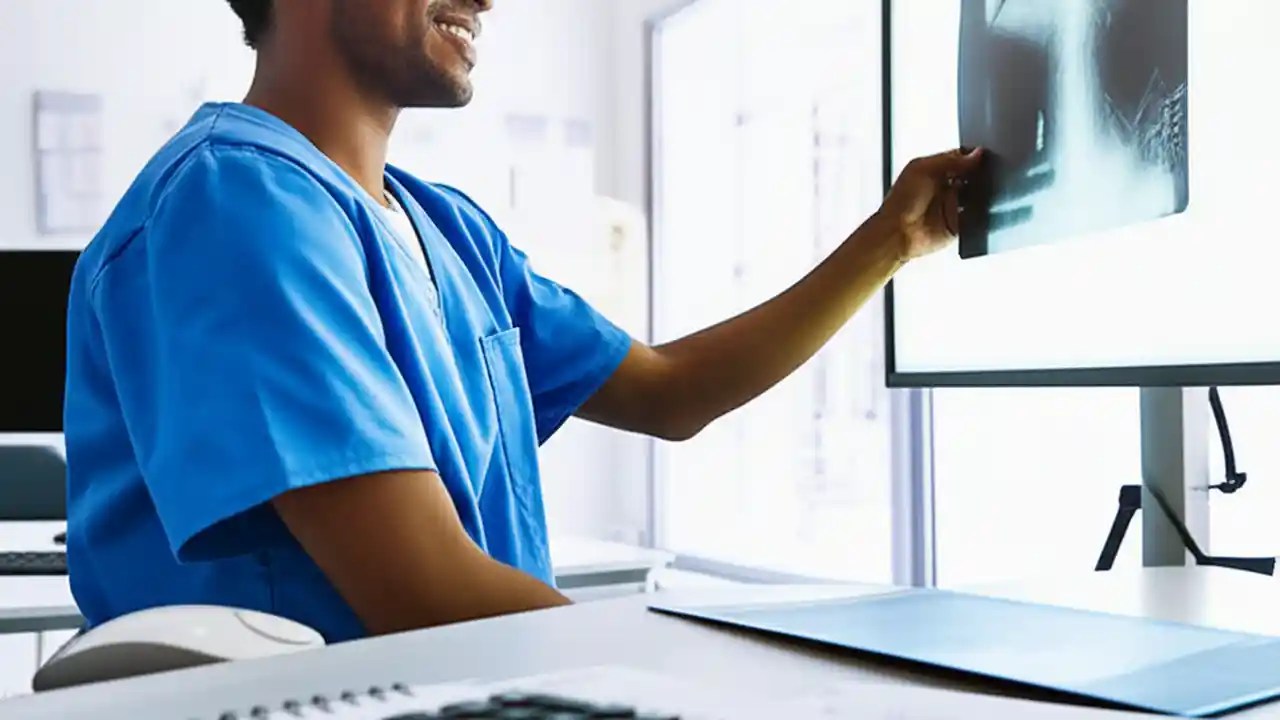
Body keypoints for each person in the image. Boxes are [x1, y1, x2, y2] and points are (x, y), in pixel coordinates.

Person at [63, 0, 983, 643]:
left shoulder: (447, 230)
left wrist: (889, 243)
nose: (489, 0)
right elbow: (421, 589)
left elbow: (672, 391)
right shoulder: (234, 201)